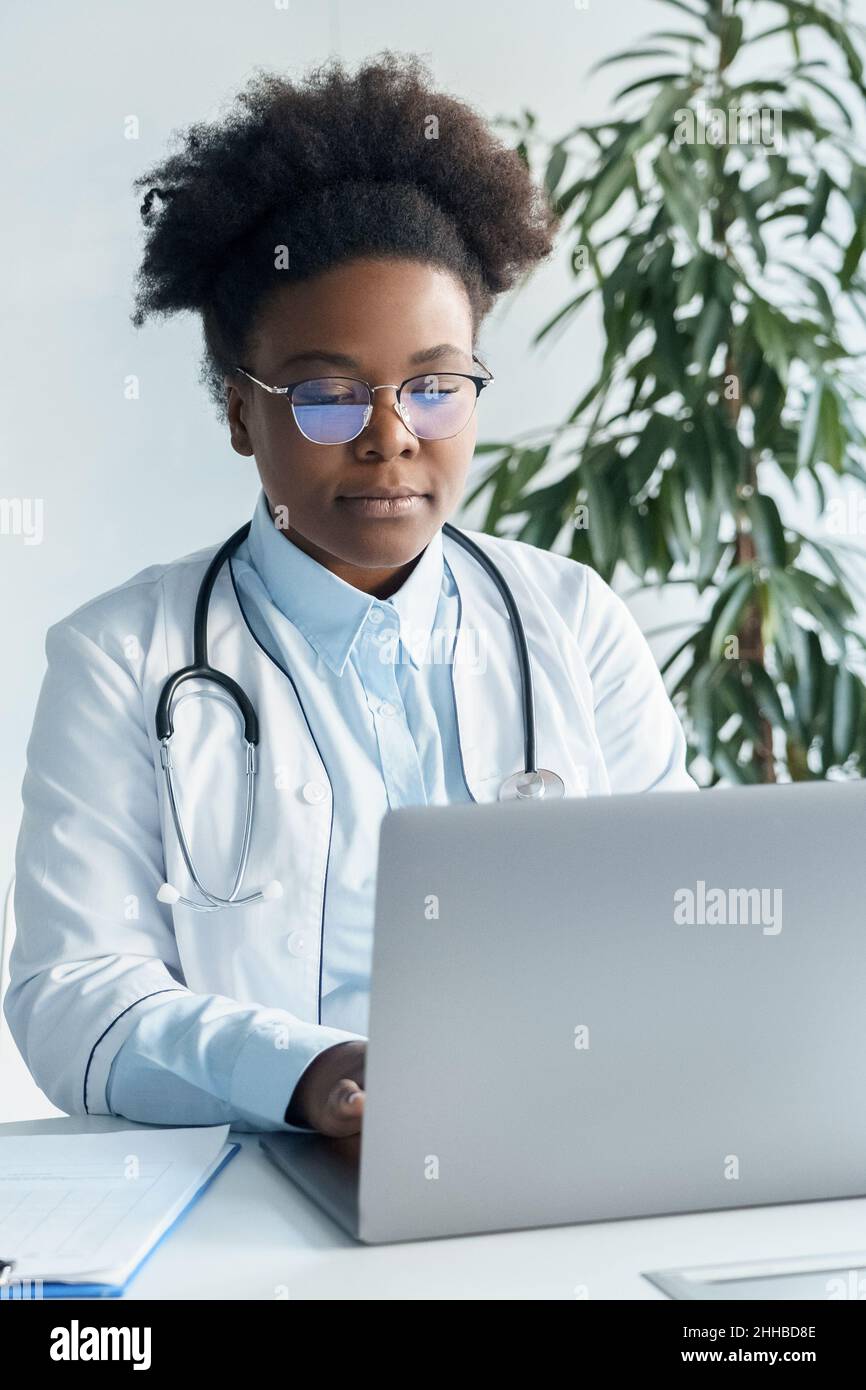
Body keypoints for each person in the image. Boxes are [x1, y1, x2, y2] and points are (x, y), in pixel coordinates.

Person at [5, 52, 697, 1141]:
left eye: (433, 386)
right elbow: (73, 997)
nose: (390, 435)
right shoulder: (119, 660)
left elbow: (684, 923)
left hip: (553, 1155)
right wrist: (306, 1071)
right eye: (327, 395)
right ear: (240, 412)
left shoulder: (570, 622)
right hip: (254, 1182)